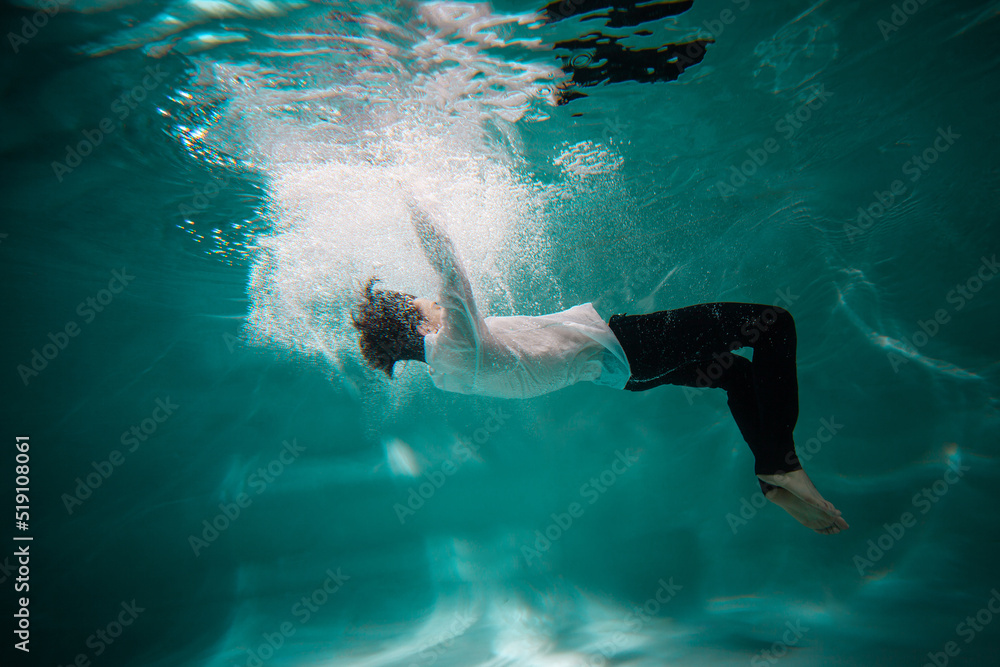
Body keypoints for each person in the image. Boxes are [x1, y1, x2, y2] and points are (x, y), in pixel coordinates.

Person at [352, 203, 849, 535]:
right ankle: (782, 464)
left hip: (624, 374)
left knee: (734, 374)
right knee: (774, 324)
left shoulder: (446, 374)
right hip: (631, 348)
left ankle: (770, 477)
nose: (431, 302)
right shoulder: (458, 346)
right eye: (421, 303)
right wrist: (409, 194)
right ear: (415, 321)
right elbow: (450, 268)